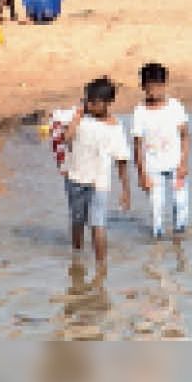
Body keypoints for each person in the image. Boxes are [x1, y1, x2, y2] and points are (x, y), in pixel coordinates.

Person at [61, 77, 132, 270]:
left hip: (98, 183)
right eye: (87, 100)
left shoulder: (115, 128)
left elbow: (121, 160)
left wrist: (125, 189)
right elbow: (67, 139)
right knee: (77, 221)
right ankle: (77, 258)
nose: (90, 105)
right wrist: (76, 119)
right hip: (75, 178)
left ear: (108, 103)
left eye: (94, 102)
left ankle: (101, 267)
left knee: (98, 224)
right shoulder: (80, 119)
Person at [131, 63, 190, 240]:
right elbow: (137, 145)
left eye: (157, 86)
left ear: (165, 85)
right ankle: (158, 239)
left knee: (180, 204)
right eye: (149, 87)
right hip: (152, 167)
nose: (154, 91)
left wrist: (183, 164)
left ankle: (179, 242)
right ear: (143, 87)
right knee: (157, 207)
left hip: (175, 165)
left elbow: (185, 136)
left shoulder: (175, 106)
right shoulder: (140, 111)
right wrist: (141, 174)